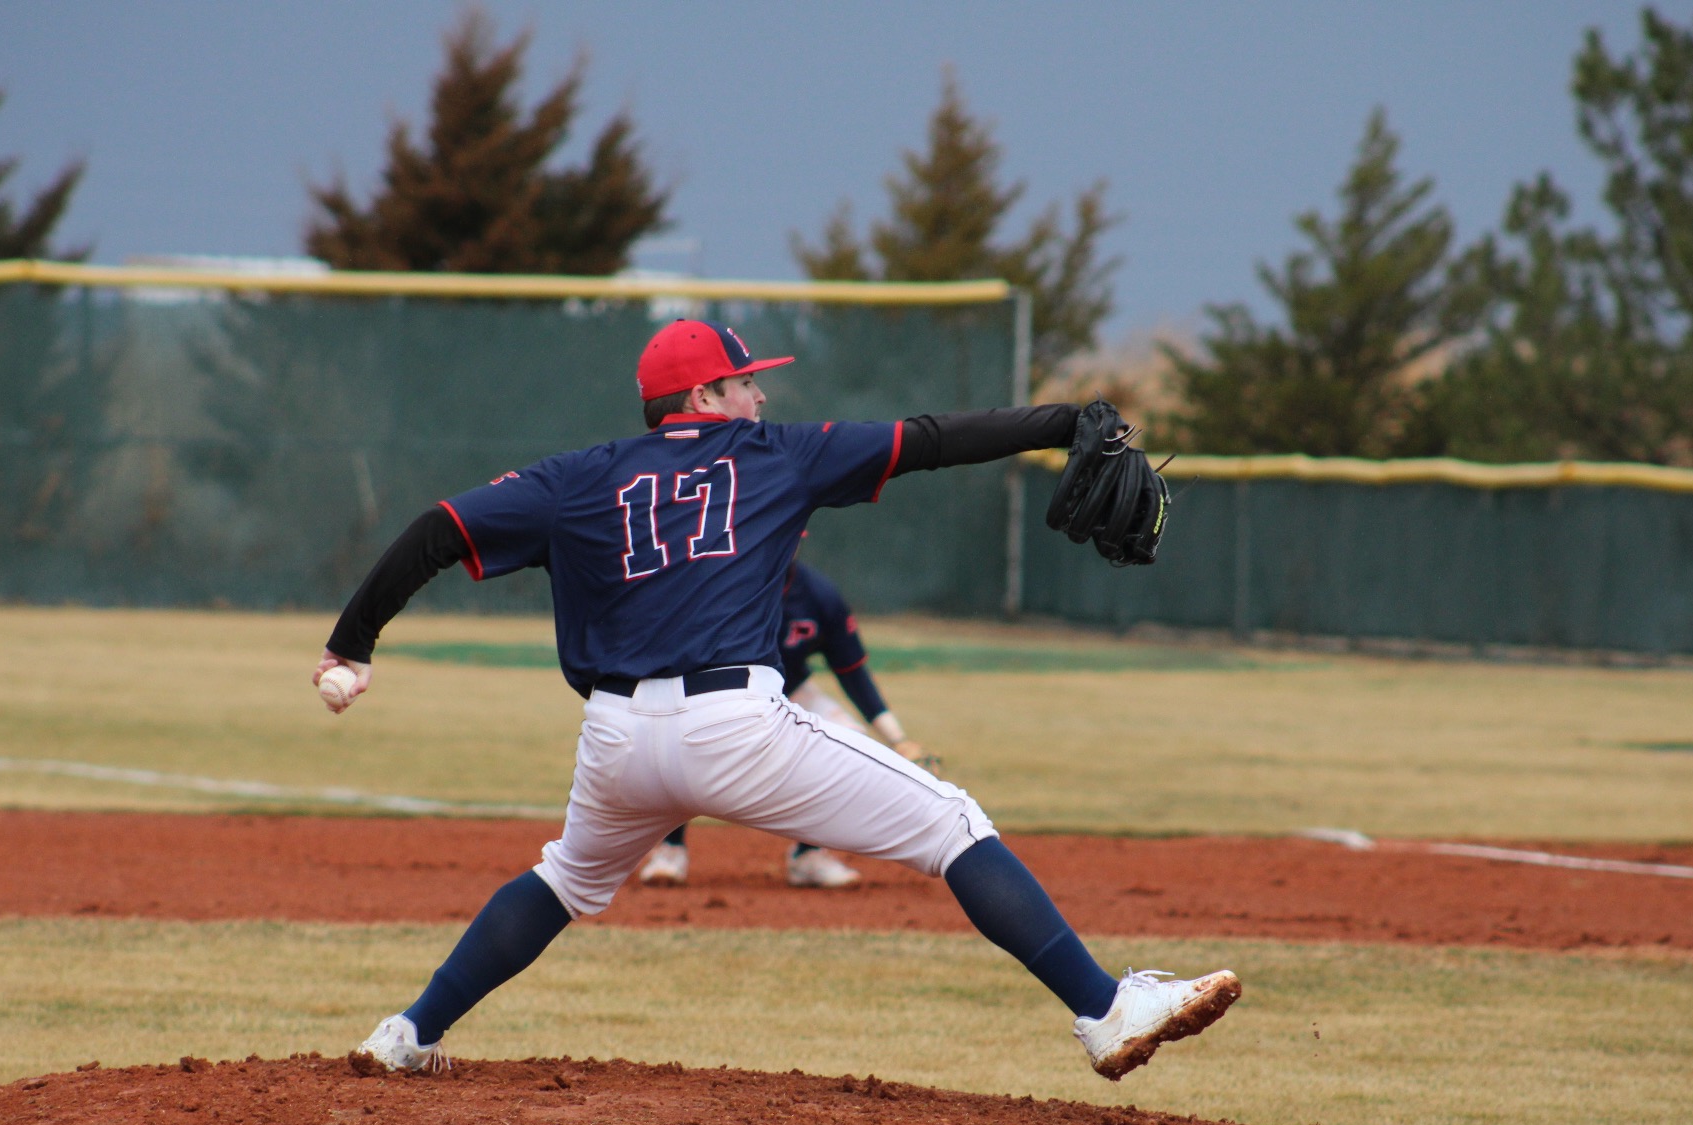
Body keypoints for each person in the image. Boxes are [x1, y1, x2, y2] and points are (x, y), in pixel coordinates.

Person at [316, 317, 1240, 1082]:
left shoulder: (579, 477)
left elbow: (436, 529)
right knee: (953, 823)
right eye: (745, 381)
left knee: (566, 880)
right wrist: (1060, 420)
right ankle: (1107, 1010)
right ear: (704, 399)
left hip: (616, 741)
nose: (760, 395)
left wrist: (351, 645)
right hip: (734, 725)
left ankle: (408, 1032)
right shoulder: (774, 455)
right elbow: (929, 439)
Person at [638, 557, 936, 890]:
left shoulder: (818, 596)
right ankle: (670, 849)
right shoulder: (719, 581)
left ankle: (808, 855)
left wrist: (897, 738)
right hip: (715, 691)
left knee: (847, 737)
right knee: (684, 739)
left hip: (786, 690)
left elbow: (852, 672)